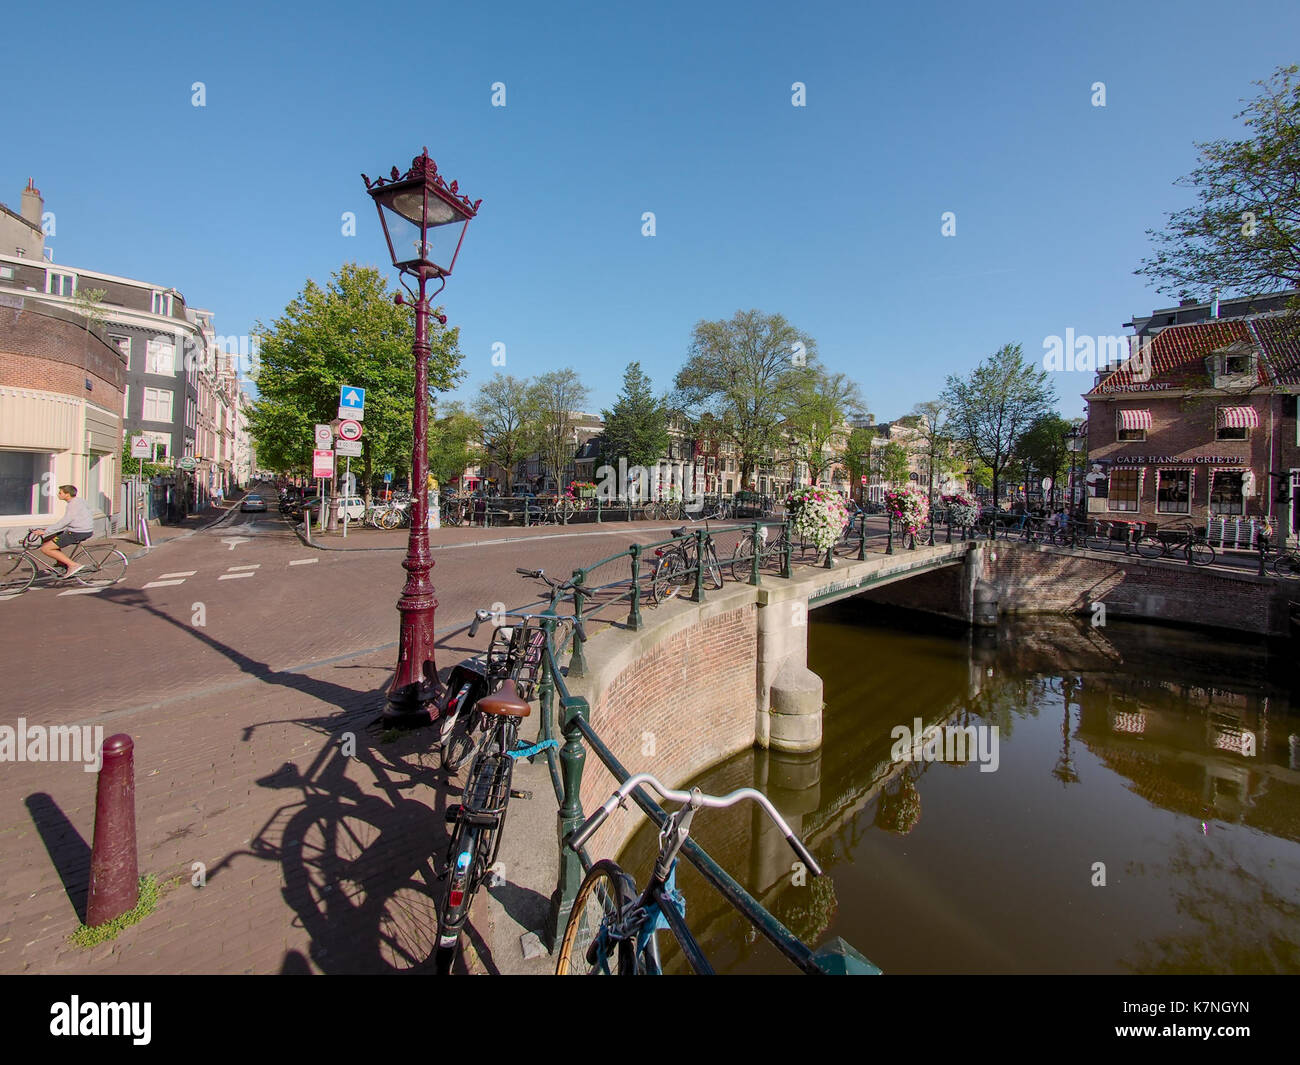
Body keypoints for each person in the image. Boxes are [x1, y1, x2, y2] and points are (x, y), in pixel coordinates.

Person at [34, 485, 94, 579]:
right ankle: (61, 565)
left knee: (45, 548)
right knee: (47, 540)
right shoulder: (78, 501)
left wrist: (46, 531)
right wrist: (47, 529)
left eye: (60, 493)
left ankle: (73, 565)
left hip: (78, 532)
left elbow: (65, 521)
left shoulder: (73, 504)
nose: (58, 494)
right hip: (81, 529)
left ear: (67, 494)